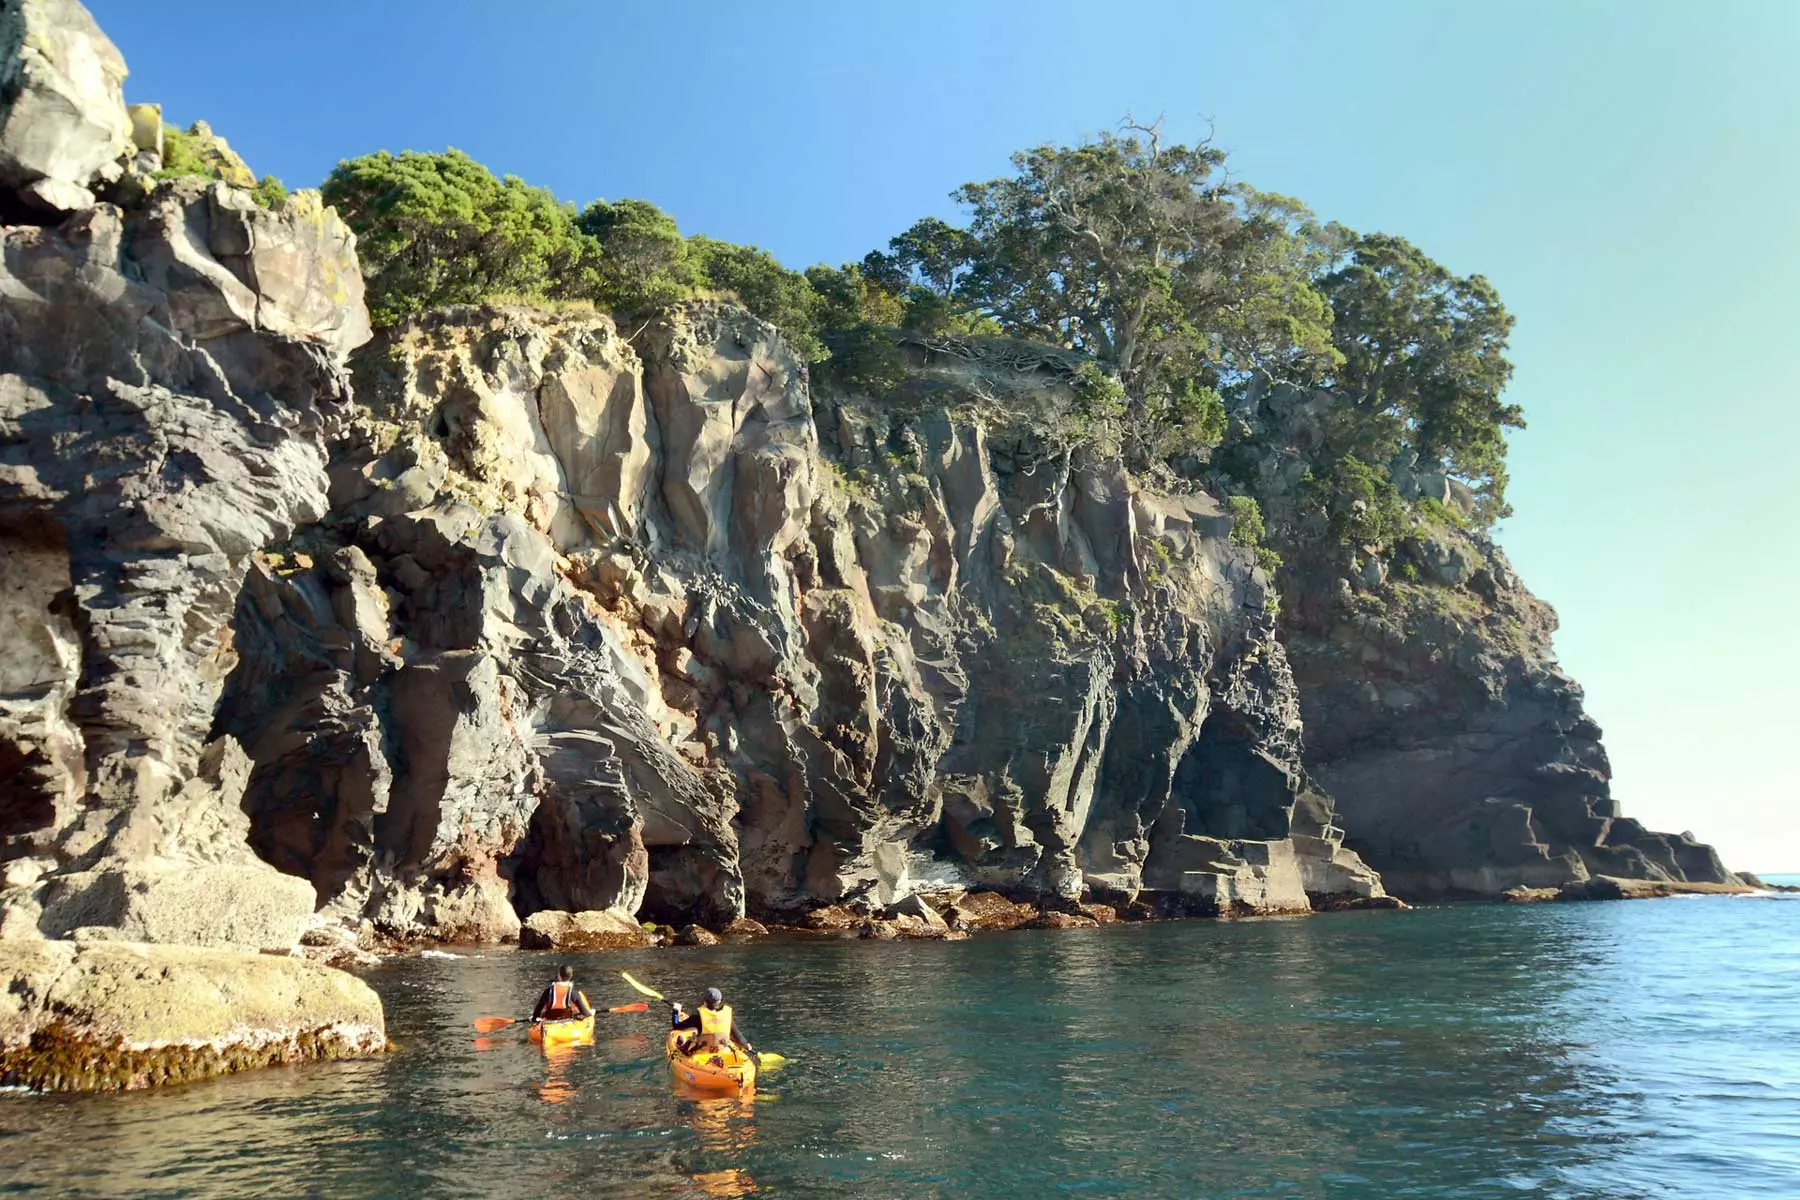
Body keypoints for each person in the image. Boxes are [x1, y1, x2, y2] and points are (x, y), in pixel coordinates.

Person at [671, 986, 757, 1063]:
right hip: (724, 1052)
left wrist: (676, 1010)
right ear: (719, 1001)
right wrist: (746, 1045)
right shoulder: (726, 1016)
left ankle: (683, 1044)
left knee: (688, 1040)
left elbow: (677, 1026)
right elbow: (738, 1036)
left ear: (704, 1002)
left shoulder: (697, 1017)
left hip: (702, 1055)